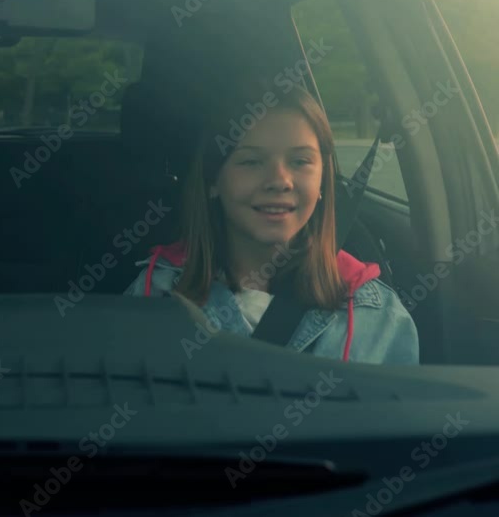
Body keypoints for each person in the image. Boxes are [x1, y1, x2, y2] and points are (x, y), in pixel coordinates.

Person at [124, 83, 419, 364]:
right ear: (213, 180)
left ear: (322, 181)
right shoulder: (155, 291)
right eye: (251, 162)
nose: (279, 181)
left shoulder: (375, 315)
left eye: (301, 161)